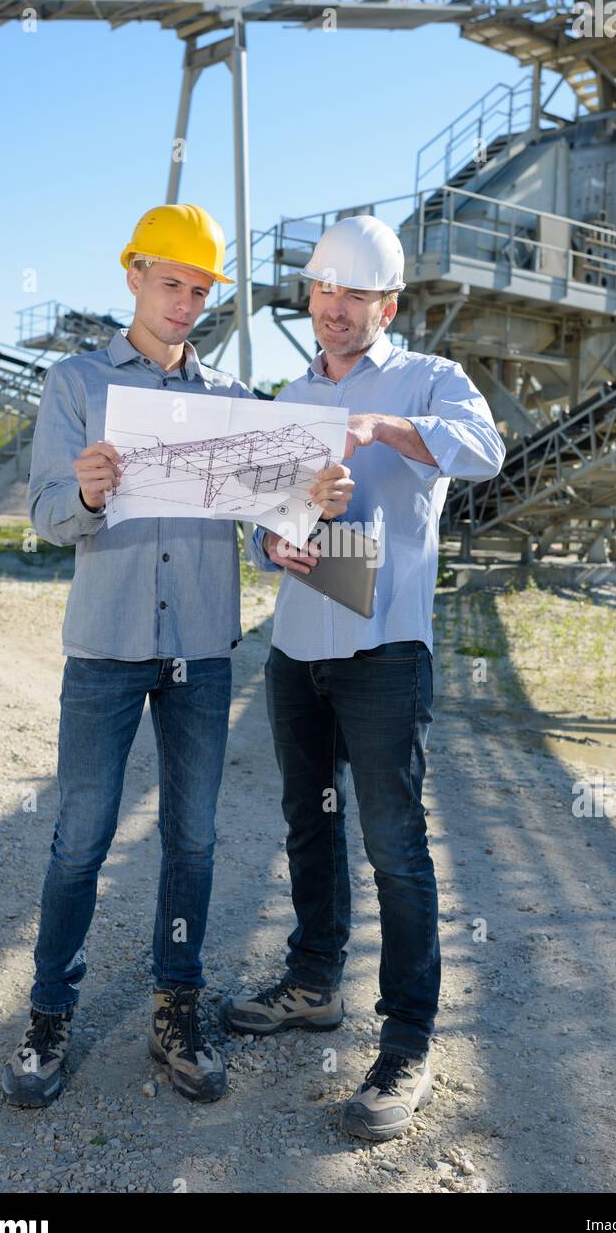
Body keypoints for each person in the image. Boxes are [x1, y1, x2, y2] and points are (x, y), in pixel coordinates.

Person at [2, 203, 352, 1109]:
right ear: (133, 276)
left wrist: (309, 504)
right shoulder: (73, 384)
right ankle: (48, 1016)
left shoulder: (233, 403)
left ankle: (177, 1010)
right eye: (173, 283)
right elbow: (45, 520)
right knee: (80, 840)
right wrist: (81, 492)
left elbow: (265, 535)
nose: (188, 302)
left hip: (201, 650)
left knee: (191, 842)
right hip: (107, 650)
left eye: (201, 290)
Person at [222, 214, 506, 1142]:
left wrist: (381, 428)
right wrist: (276, 537)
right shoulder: (288, 391)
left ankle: (408, 1040)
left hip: (385, 651)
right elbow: (263, 522)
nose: (332, 308)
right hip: (298, 645)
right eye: (321, 291)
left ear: (386, 304)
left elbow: (485, 450)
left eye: (351, 295)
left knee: (393, 844)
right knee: (309, 821)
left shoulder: (430, 379)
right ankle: (311, 984)